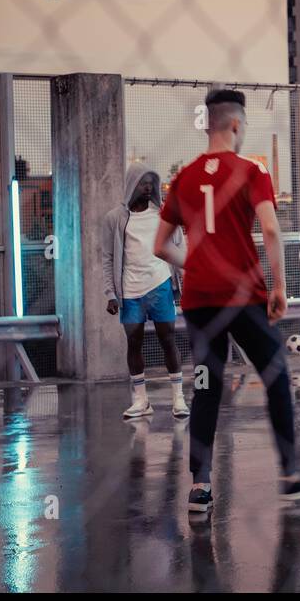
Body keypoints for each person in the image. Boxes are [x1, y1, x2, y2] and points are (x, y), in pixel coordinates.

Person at [153, 88, 300, 513]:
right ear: (235, 125)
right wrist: (279, 287)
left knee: (205, 386)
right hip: (243, 294)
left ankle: (199, 486)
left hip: (200, 300)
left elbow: (161, 245)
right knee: (274, 374)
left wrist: (194, 264)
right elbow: (271, 231)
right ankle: (290, 474)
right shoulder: (251, 170)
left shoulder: (183, 178)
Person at [101, 167, 188, 418]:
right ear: (132, 185)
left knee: (168, 340)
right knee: (134, 343)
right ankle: (141, 401)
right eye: (143, 183)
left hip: (160, 284)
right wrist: (110, 294)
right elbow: (108, 258)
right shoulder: (115, 218)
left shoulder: (163, 215)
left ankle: (179, 399)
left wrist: (184, 283)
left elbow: (179, 247)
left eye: (151, 183)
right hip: (130, 291)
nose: (148, 187)